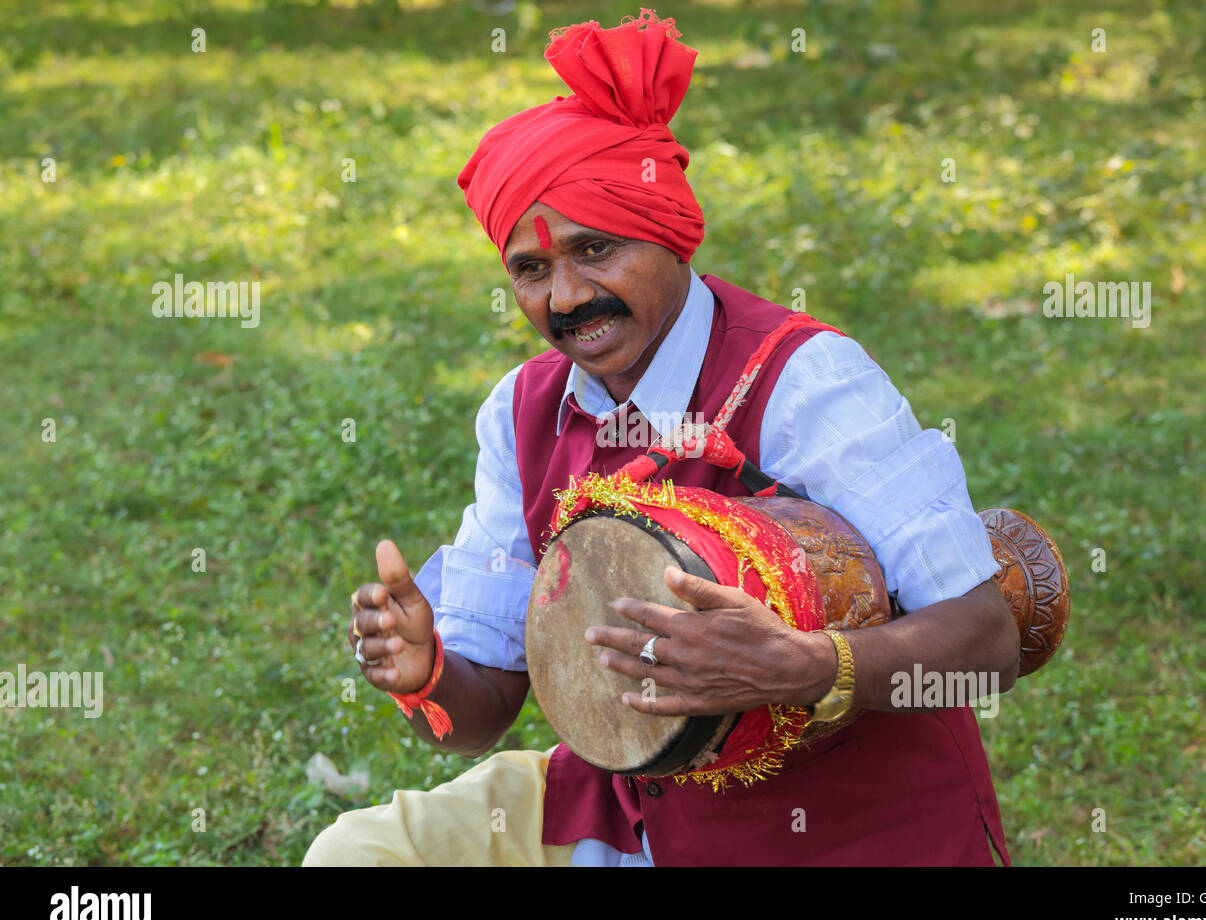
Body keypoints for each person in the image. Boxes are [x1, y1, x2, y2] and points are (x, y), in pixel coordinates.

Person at [304, 8, 1019, 867]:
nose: (565, 297)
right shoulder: (524, 412)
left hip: (849, 837)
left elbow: (988, 646)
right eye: (531, 270)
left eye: (595, 250)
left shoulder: (805, 381)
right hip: (627, 820)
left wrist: (803, 667)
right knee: (359, 856)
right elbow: (482, 711)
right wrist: (426, 675)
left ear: (670, 233)